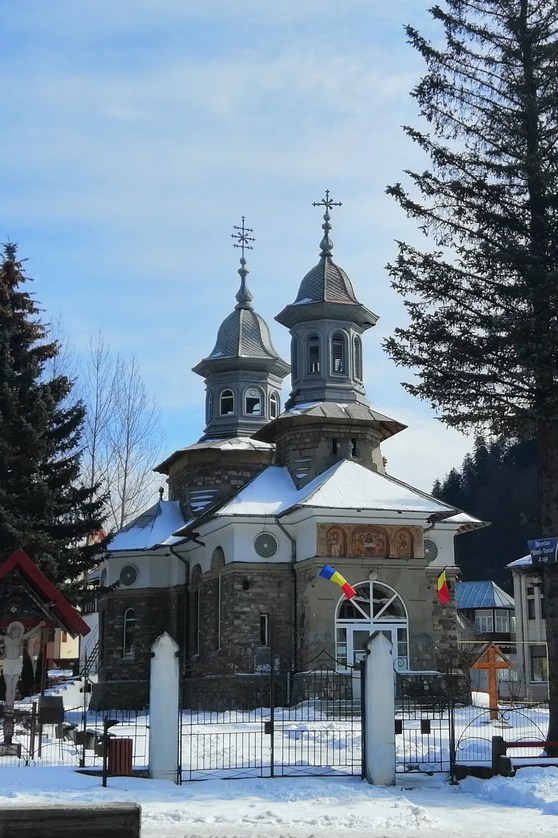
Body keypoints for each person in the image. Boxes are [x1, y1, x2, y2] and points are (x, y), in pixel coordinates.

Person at [2, 621, 44, 708]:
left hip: (17, 663)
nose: (16, 634)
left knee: (13, 686)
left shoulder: (20, 639)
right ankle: (8, 704)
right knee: (8, 686)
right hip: (8, 663)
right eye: (14, 632)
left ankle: (11, 705)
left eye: (18, 632)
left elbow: (29, 634)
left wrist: (38, 625)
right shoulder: (5, 638)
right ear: (11, 631)